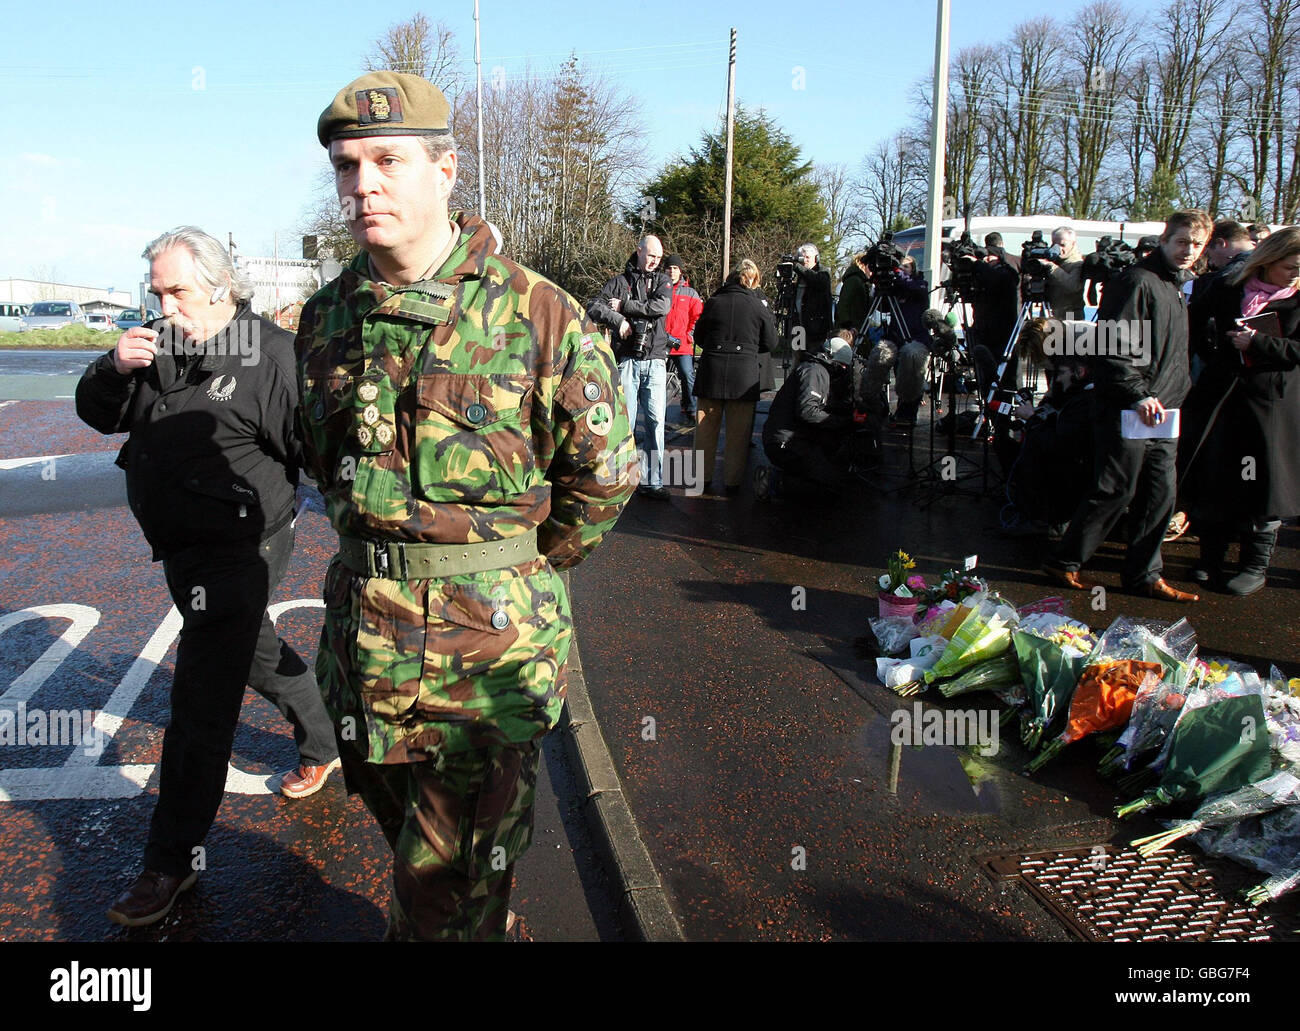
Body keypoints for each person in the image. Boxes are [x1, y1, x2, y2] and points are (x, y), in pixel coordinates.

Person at [297, 71, 636, 941]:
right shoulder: (328, 320)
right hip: (363, 654)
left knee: (437, 897)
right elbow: (329, 468)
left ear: (446, 171)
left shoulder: (536, 312)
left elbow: (601, 477)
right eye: (347, 165)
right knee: (423, 857)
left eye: (387, 160)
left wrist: (514, 574)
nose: (362, 183)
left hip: (483, 664)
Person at [77, 226, 340, 928]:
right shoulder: (156, 348)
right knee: (250, 650)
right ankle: (322, 738)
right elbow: (99, 416)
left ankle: (170, 862)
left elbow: (311, 452)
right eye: (155, 291)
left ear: (222, 288)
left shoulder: (271, 356)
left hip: (242, 547)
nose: (163, 306)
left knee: (199, 699)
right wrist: (111, 367)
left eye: (177, 291)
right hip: (181, 549)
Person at [1044, 209, 1213, 602]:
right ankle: (1065, 560)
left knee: (1161, 495)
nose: (1189, 251)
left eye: (1197, 244)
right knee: (1115, 490)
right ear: (1165, 239)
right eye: (1182, 242)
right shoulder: (1136, 282)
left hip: (1164, 410)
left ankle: (1144, 574)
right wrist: (1137, 393)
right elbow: (1111, 347)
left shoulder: (1175, 286)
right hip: (1128, 406)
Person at [1181, 226, 1300, 595]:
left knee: (1264, 486)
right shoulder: (1227, 288)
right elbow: (1191, 323)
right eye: (1290, 267)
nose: (1295, 274)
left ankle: (1253, 566)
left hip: (1272, 404)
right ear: (1268, 260)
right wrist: (1211, 352)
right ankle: (1208, 559)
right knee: (1215, 479)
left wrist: (1259, 343)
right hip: (1223, 396)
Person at [588, 236, 673, 498]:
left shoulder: (662, 281)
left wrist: (625, 306)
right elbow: (593, 306)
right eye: (651, 256)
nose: (655, 261)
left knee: (656, 422)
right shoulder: (618, 282)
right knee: (626, 423)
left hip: (656, 360)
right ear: (639, 251)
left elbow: (662, 306)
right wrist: (618, 320)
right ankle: (623, 480)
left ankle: (653, 481)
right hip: (627, 360)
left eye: (658, 258)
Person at [692, 258, 777, 494]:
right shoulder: (758, 306)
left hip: (712, 371)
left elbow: (699, 337)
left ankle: (701, 478)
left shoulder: (714, 302)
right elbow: (771, 342)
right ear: (752, 281)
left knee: (705, 429)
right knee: (738, 435)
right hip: (744, 377)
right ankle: (732, 482)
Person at [758, 335, 856, 498]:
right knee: (828, 486)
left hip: (790, 438)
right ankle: (773, 481)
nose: (844, 370)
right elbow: (807, 411)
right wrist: (843, 422)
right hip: (786, 441)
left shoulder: (817, 369)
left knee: (833, 477)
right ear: (833, 359)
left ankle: (786, 477)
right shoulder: (814, 371)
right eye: (843, 366)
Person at [859, 256, 932, 430]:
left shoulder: (919, 284)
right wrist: (880, 285)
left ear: (913, 268)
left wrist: (897, 274)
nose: (902, 269)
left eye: (906, 267)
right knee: (879, 356)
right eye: (900, 267)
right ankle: (870, 403)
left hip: (915, 338)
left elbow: (914, 289)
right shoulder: (895, 287)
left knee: (910, 365)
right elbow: (881, 307)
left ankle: (906, 414)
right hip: (895, 336)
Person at [970, 232, 1022, 396]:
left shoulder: (1009, 267)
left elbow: (1002, 282)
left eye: (990, 256)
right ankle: (987, 407)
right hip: (984, 329)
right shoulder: (983, 272)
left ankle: (1007, 409)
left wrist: (978, 265)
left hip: (1005, 332)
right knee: (985, 373)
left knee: (1007, 375)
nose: (987, 259)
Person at [663, 254, 703, 425]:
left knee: (687, 375)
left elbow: (698, 316)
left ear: (680, 271)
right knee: (659, 380)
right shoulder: (659, 289)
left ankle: (690, 407)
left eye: (675, 268)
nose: (672, 271)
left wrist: (689, 334)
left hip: (682, 345)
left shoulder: (690, 293)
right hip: (661, 343)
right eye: (669, 268)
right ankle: (659, 411)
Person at [788, 242, 832, 352]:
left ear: (816, 258)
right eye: (802, 258)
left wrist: (797, 267)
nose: (805, 260)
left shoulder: (822, 273)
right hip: (798, 327)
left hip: (815, 329)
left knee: (812, 361)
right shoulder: (799, 276)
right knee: (797, 360)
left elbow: (819, 281)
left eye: (808, 257)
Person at [1041, 226, 1086, 320]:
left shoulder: (1077, 263)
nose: (1057, 248)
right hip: (1050, 312)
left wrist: (1051, 267)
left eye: (1062, 245)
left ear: (1073, 243)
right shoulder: (1053, 259)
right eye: (1054, 244)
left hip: (1070, 315)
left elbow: (1073, 286)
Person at [834, 252, 872, 338]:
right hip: (850, 331)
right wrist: (849, 326)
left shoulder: (861, 282)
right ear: (862, 264)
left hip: (856, 327)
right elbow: (844, 304)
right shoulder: (854, 280)